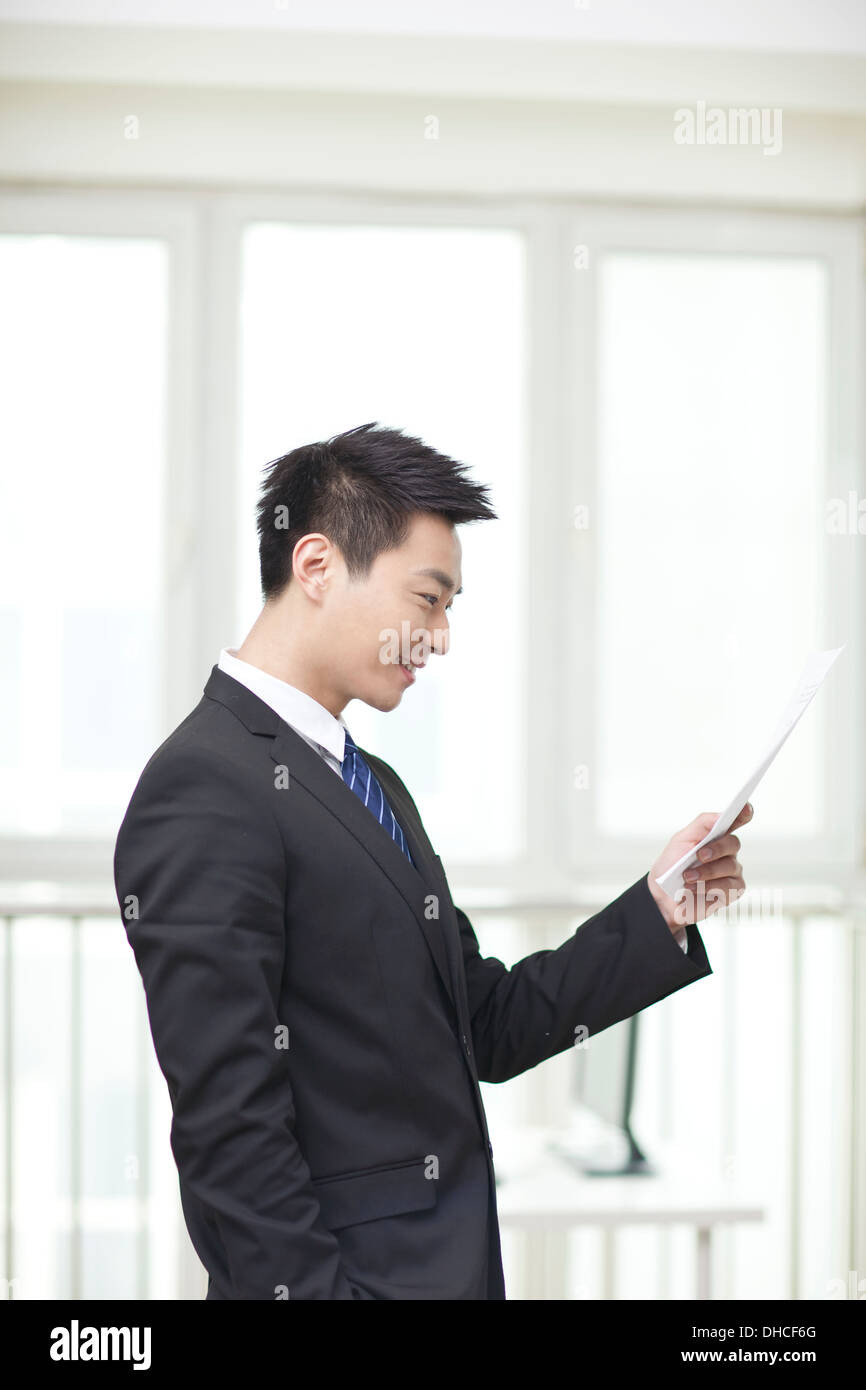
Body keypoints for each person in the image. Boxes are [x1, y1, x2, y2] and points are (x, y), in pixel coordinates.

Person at [113, 420, 751, 1300]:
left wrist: (658, 908)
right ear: (317, 567)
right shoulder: (203, 786)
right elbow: (231, 1139)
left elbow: (483, 1023)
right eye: (428, 599)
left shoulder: (369, 784)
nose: (441, 636)